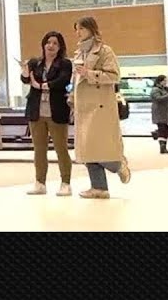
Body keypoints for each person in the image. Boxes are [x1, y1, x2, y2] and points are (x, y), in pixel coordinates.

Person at [69, 16, 130, 199]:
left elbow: (114, 76)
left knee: (99, 146)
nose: (78, 33)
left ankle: (118, 164)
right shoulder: (78, 53)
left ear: (91, 29)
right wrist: (72, 98)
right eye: (76, 29)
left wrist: (90, 74)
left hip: (100, 106)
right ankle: (99, 187)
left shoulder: (105, 51)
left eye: (81, 28)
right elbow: (75, 80)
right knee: (87, 149)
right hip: (83, 106)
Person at [22, 31, 74, 196]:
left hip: (56, 111)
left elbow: (63, 81)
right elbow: (26, 80)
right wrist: (25, 72)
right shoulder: (35, 63)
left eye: (55, 43)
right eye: (48, 42)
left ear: (60, 47)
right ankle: (40, 183)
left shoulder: (65, 63)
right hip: (36, 111)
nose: (51, 46)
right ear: (43, 45)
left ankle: (65, 182)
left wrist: (42, 86)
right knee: (39, 149)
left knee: (61, 148)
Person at [150, 75, 168, 155]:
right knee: (162, 129)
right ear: (160, 81)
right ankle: (162, 147)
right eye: (165, 81)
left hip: (166, 112)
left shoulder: (165, 89)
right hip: (159, 112)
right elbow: (158, 98)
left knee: (165, 129)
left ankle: (164, 147)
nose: (166, 82)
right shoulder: (155, 90)